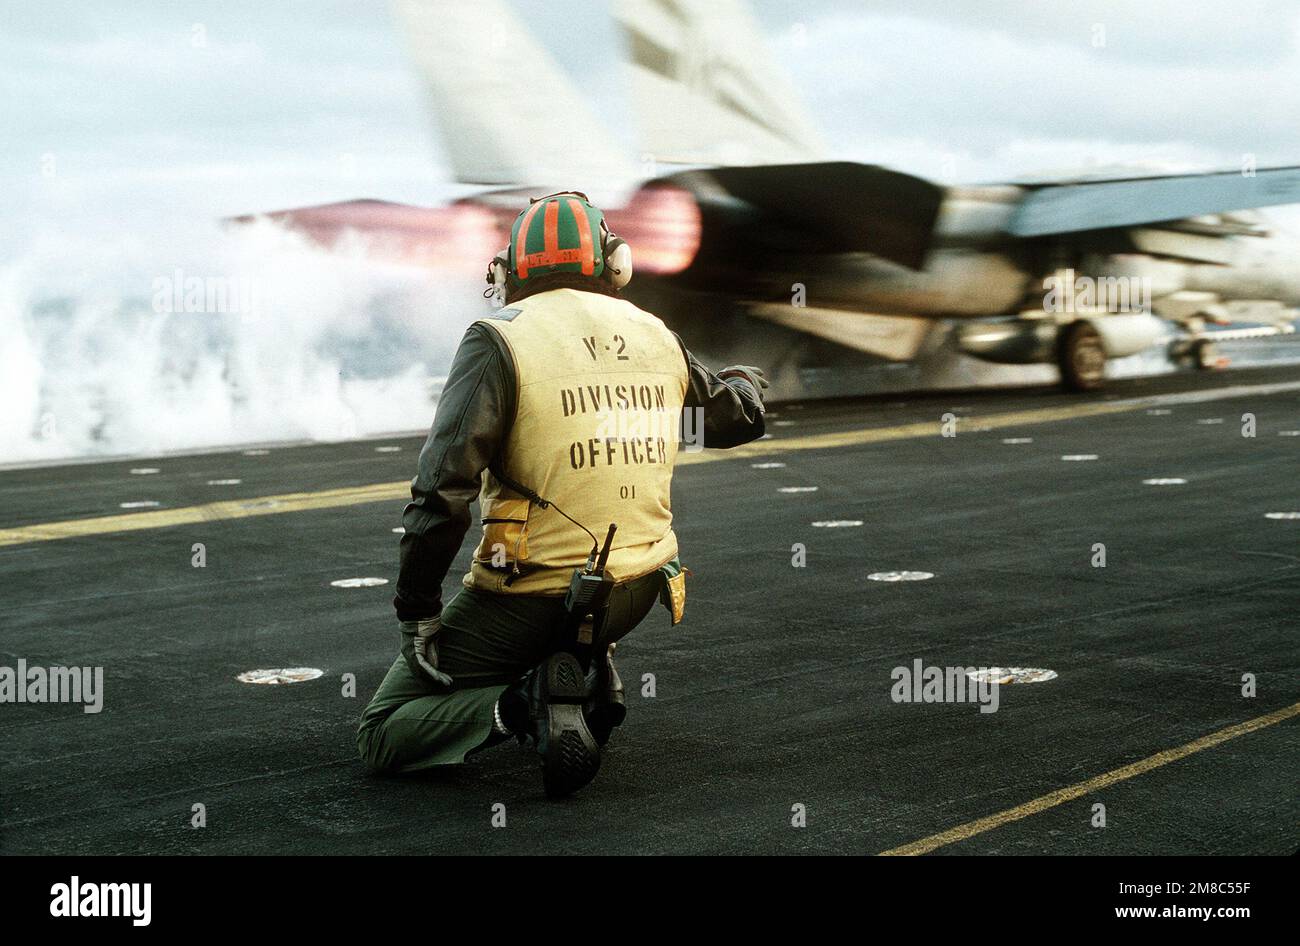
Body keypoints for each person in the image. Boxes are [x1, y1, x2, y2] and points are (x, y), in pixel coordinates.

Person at [356, 191, 767, 796]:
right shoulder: (657, 335)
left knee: (382, 731)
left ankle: (524, 705)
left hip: (532, 595)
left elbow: (442, 492)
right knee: (579, 604)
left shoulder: (498, 340)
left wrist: (417, 613)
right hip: (641, 585)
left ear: (509, 271)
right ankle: (590, 670)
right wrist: (746, 378)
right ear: (615, 264)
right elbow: (740, 418)